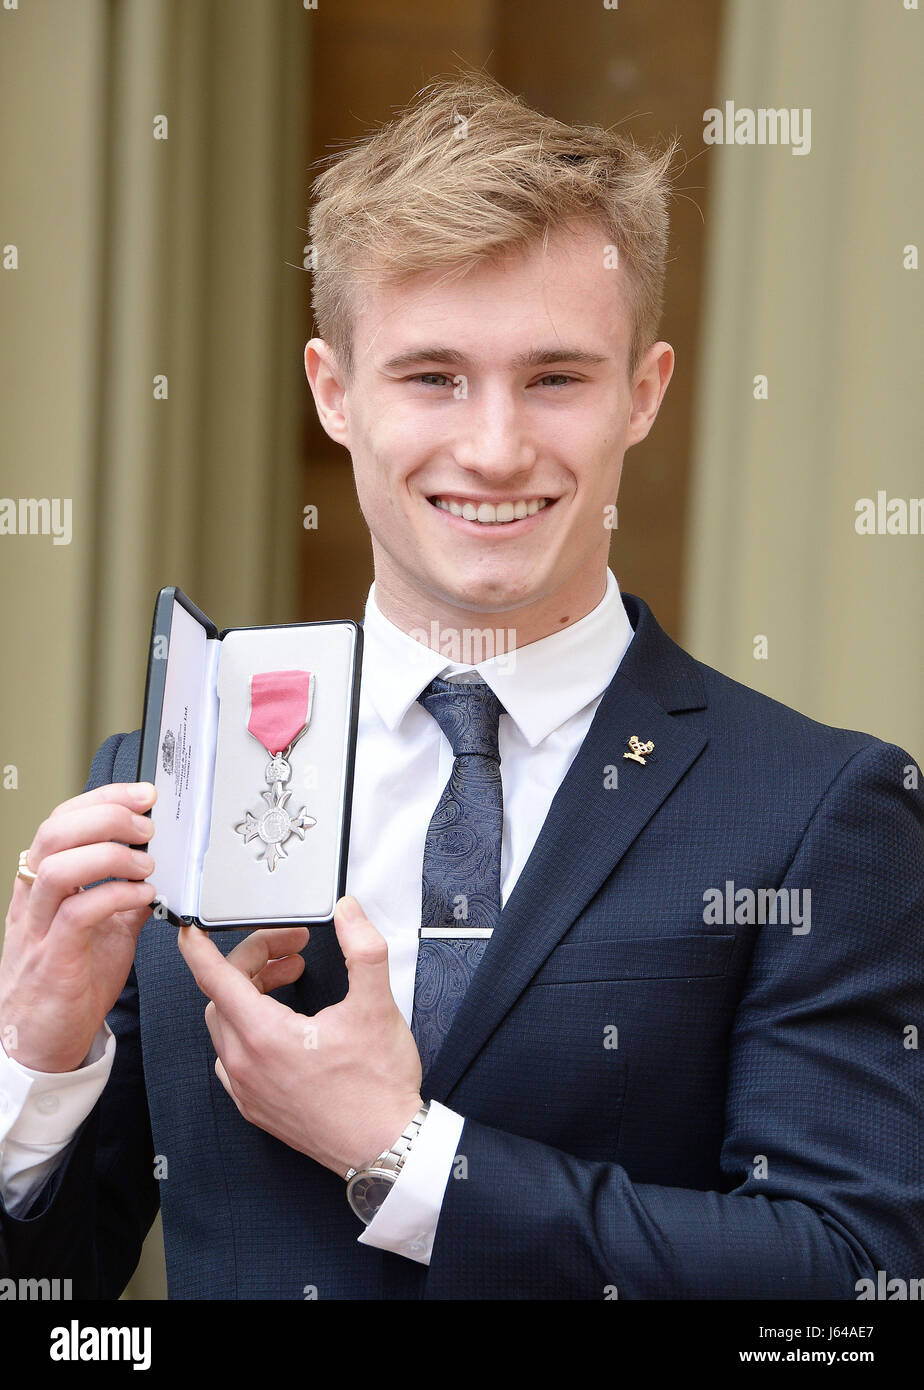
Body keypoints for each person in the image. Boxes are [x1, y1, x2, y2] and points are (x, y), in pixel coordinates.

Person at [0, 72, 921, 1301]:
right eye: (432, 376)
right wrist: (34, 1065)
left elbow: (853, 1287)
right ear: (334, 391)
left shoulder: (819, 809)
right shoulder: (174, 771)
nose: (493, 448)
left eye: (555, 378)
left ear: (643, 393)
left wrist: (412, 1160)